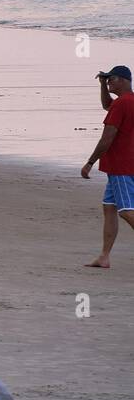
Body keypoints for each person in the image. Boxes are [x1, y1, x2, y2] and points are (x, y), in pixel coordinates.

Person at [82, 65, 134, 268]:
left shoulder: (122, 104)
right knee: (110, 208)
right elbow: (107, 106)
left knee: (126, 211)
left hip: (122, 166)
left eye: (111, 79)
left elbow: (108, 137)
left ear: (122, 80)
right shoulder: (126, 102)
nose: (109, 82)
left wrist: (89, 162)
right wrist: (102, 86)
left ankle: (105, 255)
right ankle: (104, 256)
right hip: (122, 166)